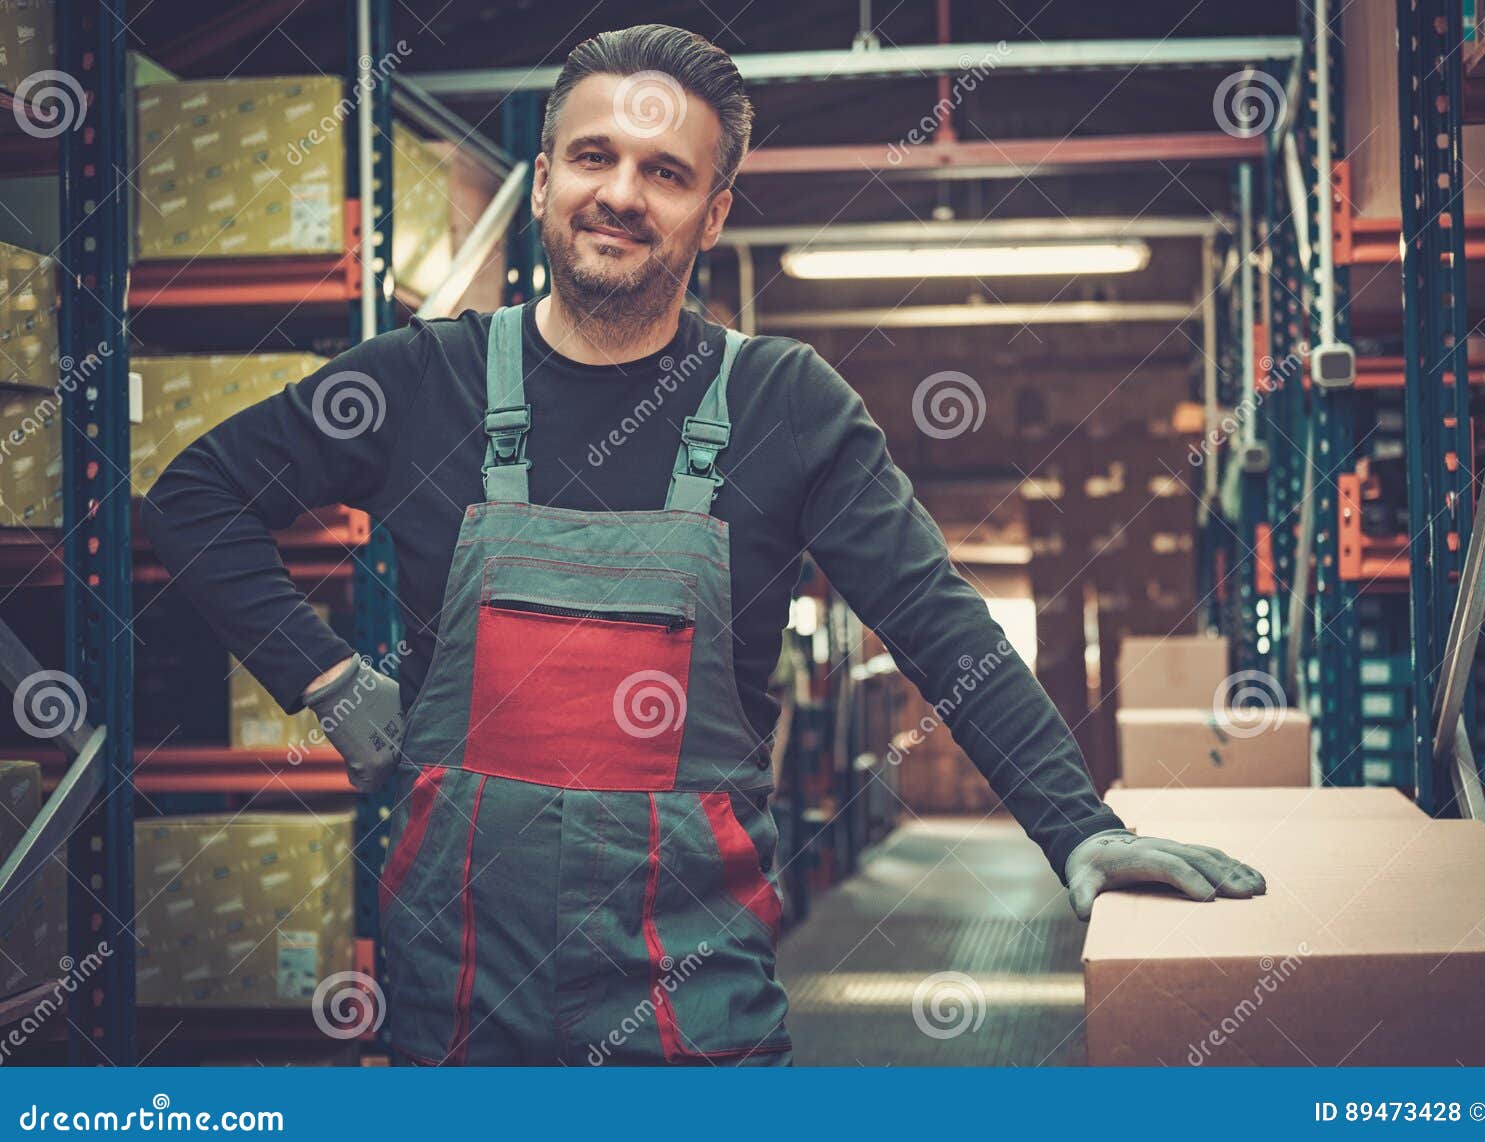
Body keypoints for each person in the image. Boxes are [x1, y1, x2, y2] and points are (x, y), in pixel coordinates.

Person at [144, 23, 1266, 1067]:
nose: (620, 194)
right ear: (543, 181)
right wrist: (326, 677)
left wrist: (1077, 824)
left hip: (689, 997)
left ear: (714, 212)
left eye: (665, 172)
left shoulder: (785, 404)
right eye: (592, 157)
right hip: (454, 996)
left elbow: (937, 619)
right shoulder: (416, 380)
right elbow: (192, 496)